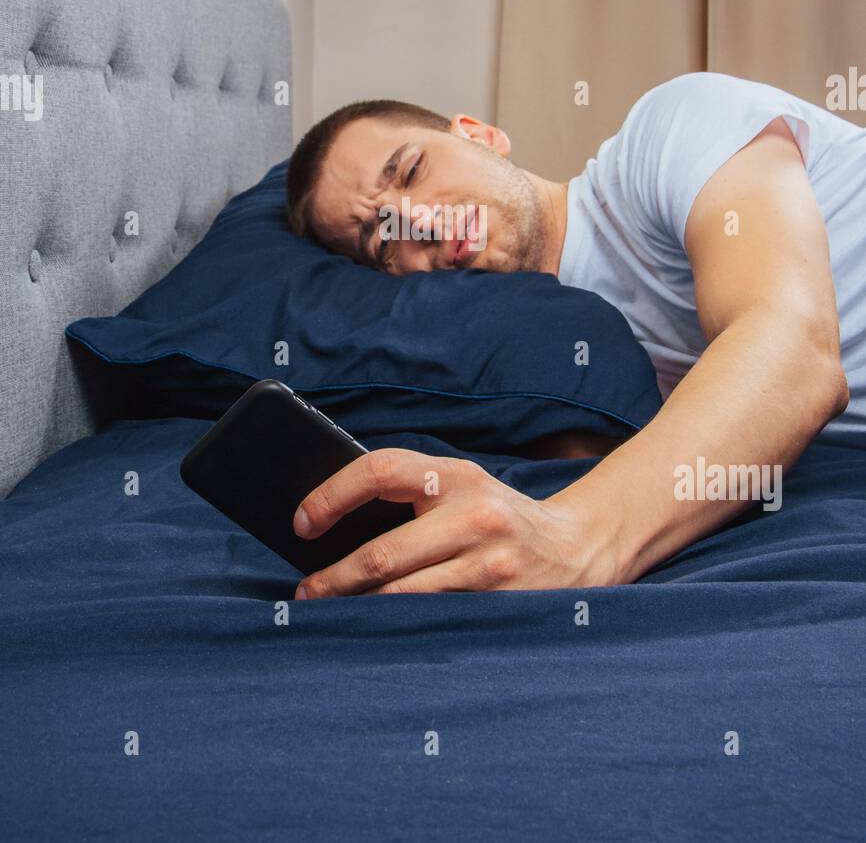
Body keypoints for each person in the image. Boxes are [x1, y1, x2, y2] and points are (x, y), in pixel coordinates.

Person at [284, 72, 857, 598]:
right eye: (384, 241)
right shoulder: (547, 365)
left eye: (411, 171)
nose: (422, 224)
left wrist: (576, 536)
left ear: (479, 135)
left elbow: (794, 347)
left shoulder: (674, 125)